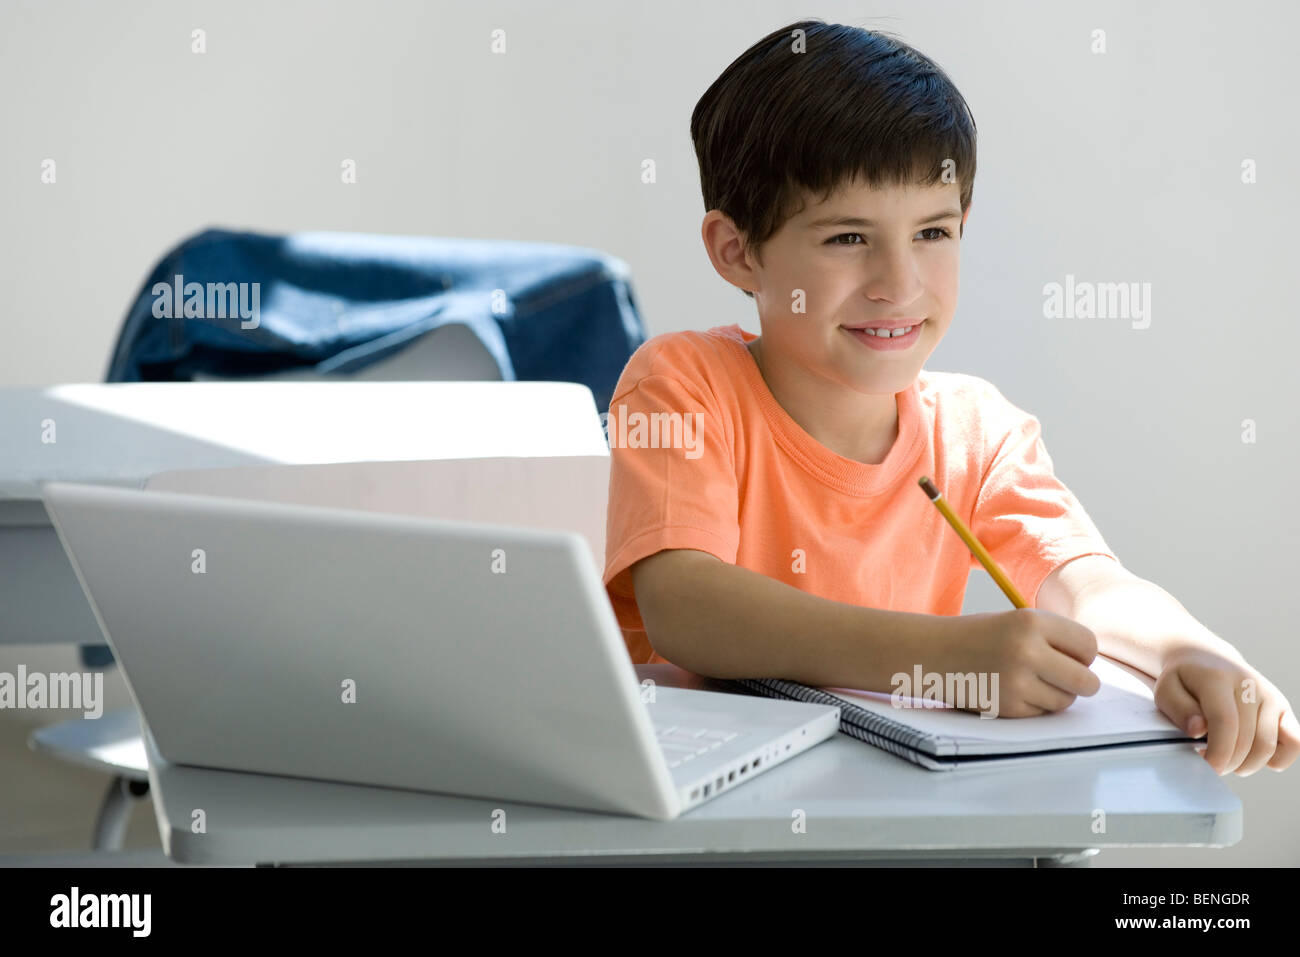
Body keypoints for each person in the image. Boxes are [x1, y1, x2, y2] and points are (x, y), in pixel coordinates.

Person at [601, 19, 1297, 777]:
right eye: (847, 238)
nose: (898, 284)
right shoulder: (681, 384)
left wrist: (1193, 651)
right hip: (701, 807)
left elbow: (1089, 586)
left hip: (895, 806)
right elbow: (686, 607)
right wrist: (938, 659)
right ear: (738, 252)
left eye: (932, 233)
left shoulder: (978, 432)